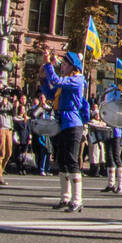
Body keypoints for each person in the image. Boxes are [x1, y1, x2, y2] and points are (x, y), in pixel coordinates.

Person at [40, 48, 88, 212]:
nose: (63, 66)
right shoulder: (67, 81)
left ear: (73, 66)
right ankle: (65, 197)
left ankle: (77, 199)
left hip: (73, 124)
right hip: (63, 123)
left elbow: (55, 80)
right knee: (61, 160)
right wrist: (42, 78)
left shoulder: (77, 80)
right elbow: (51, 93)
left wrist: (48, 64)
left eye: (65, 63)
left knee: (72, 160)